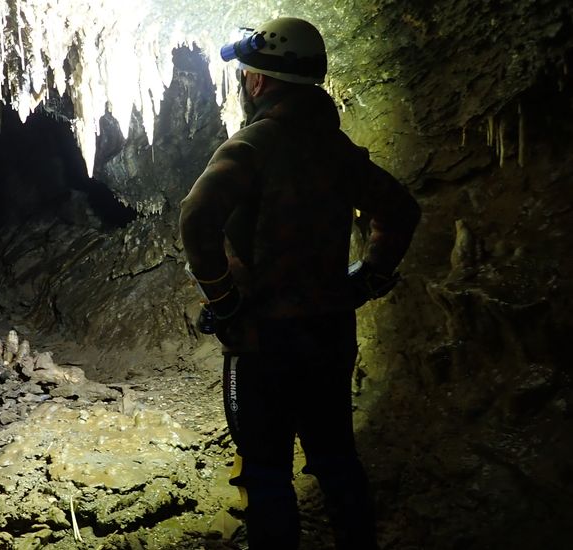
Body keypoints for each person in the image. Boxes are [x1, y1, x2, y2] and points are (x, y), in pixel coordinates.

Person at [179, 17, 421, 550]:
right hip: (330, 333)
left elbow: (196, 219)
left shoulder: (255, 145)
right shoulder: (336, 149)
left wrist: (223, 300)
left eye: (246, 75)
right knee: (337, 461)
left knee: (266, 474)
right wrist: (368, 278)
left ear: (261, 81)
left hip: (264, 341)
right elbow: (400, 210)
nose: (244, 84)